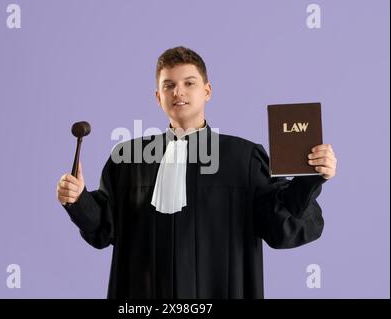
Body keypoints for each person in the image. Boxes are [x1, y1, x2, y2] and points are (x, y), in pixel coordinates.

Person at [56, 46, 337, 299]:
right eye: (169, 85)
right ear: (158, 96)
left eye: (189, 83)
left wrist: (312, 178)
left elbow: (280, 225)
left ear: (207, 91)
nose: (178, 92)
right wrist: (79, 200)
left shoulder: (244, 157)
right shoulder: (127, 159)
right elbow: (105, 229)